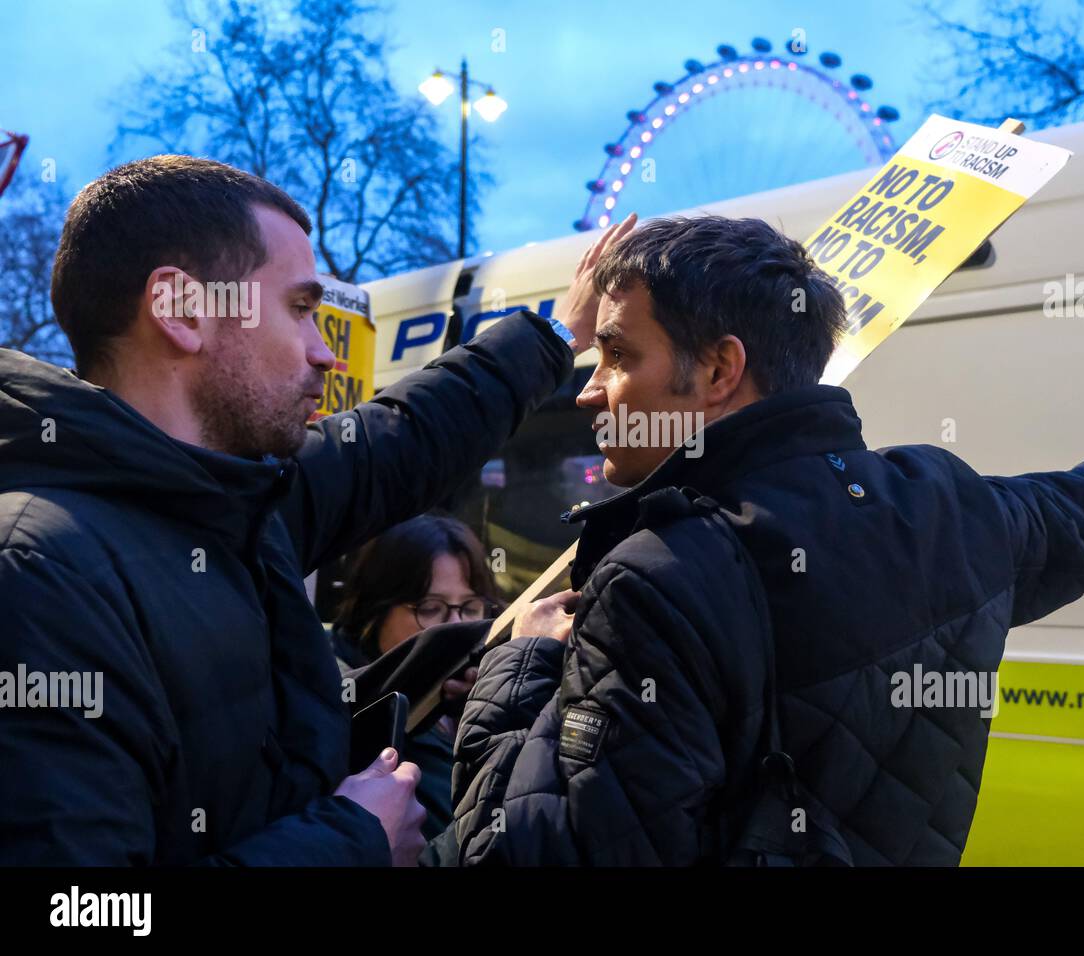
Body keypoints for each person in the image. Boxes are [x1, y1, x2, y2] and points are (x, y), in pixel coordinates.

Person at [448, 214, 1084, 865]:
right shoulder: (940, 505)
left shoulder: (656, 581)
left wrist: (521, 663)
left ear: (722, 369)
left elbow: (516, 852)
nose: (589, 393)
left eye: (618, 355)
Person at [0, 154, 632, 865]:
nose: (323, 353)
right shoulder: (37, 573)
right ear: (180, 311)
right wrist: (353, 838)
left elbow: (401, 441)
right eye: (300, 309)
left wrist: (555, 336)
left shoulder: (235, 506)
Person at [331, 513, 500, 835]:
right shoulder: (343, 702)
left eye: (470, 607)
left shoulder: (476, 686)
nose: (455, 626)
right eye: (430, 608)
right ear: (374, 612)